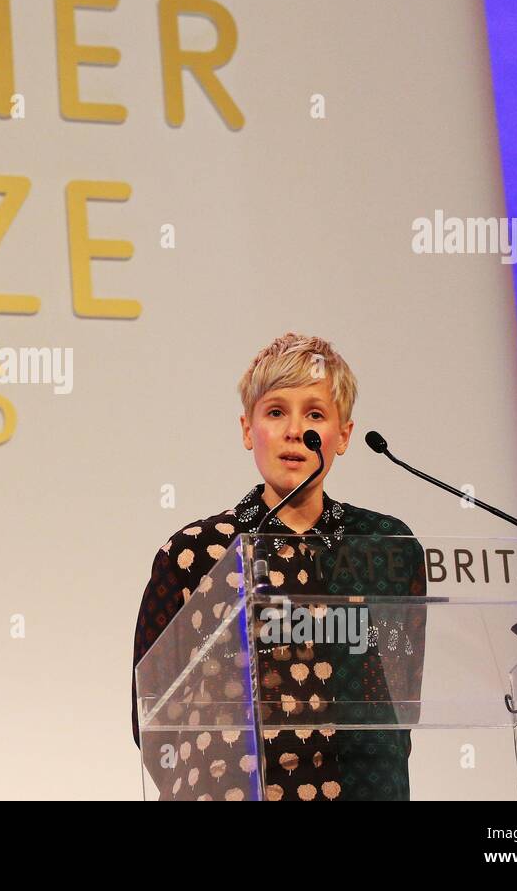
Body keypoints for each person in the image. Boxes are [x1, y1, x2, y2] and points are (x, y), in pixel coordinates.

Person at [131, 332, 426, 801]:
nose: (294, 430)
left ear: (343, 434)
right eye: (275, 412)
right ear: (248, 430)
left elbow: (399, 702)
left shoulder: (386, 548)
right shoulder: (194, 554)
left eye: (314, 413)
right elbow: (152, 722)